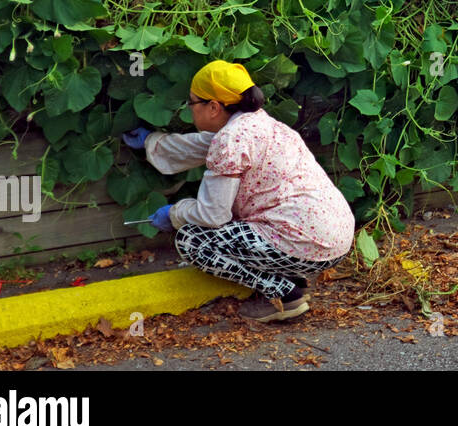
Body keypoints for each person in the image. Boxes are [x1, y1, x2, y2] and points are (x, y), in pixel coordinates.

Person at [122, 60, 355, 323]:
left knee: (192, 240)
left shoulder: (231, 139)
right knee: (246, 226)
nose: (189, 108)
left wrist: (174, 213)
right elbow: (202, 145)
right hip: (336, 240)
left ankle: (285, 295)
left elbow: (212, 215)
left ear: (213, 107)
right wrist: (151, 142)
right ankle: (291, 278)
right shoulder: (261, 124)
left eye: (192, 102)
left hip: (302, 242)